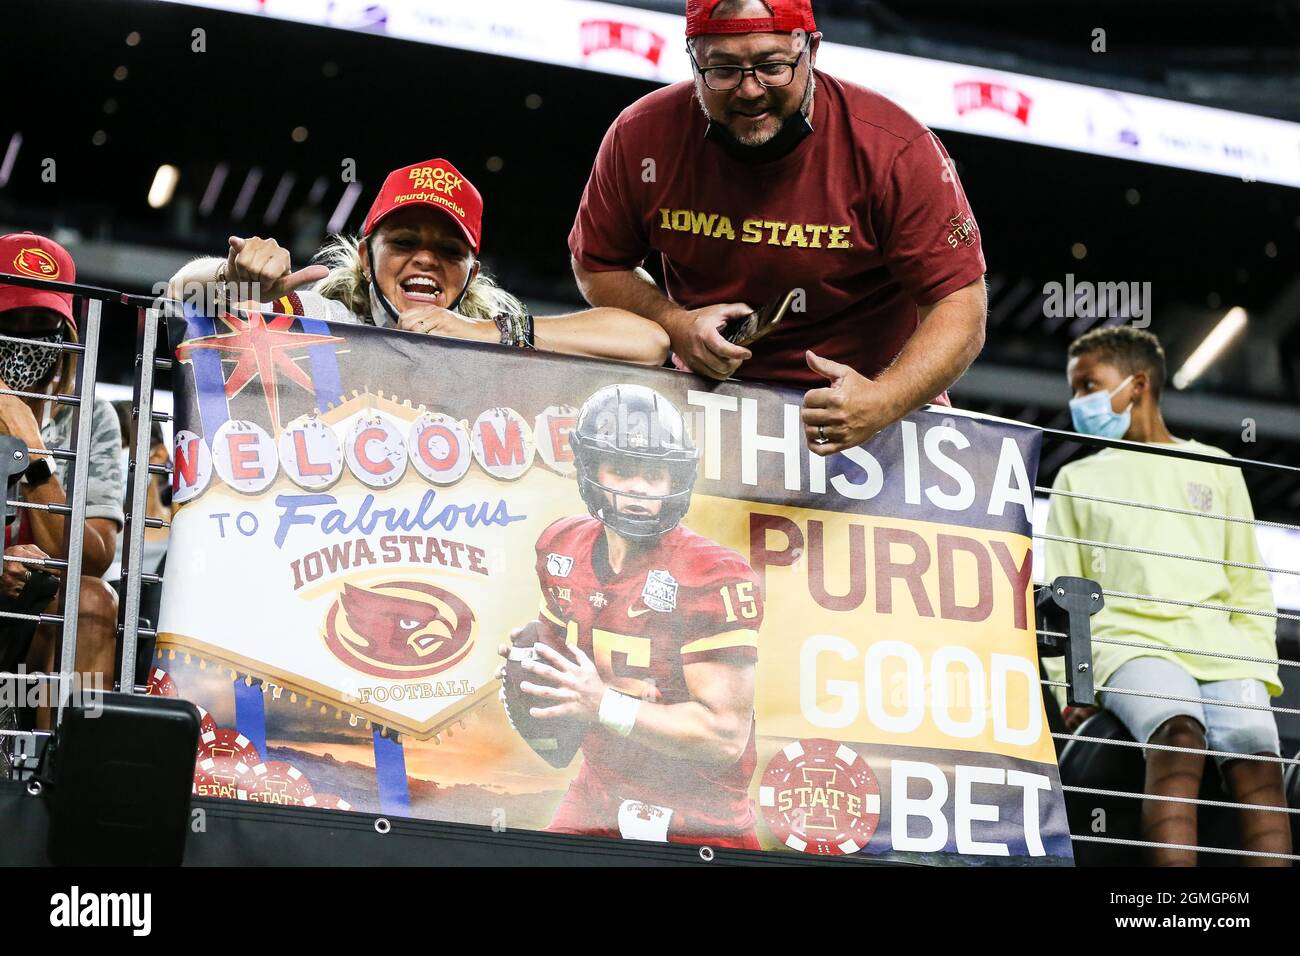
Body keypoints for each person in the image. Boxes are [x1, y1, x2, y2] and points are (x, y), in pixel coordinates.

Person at [569, 0, 987, 455]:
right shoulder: (639, 135)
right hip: (714, 413)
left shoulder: (895, 150)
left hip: (876, 420)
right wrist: (676, 323)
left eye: (772, 66)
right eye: (723, 70)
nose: (749, 90)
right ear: (693, 58)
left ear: (812, 51)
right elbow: (598, 265)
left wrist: (883, 399)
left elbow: (960, 305)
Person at [1044, 325, 1290, 866]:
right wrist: (1071, 689)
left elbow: (1248, 580)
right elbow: (1062, 593)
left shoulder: (1218, 466)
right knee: (1180, 735)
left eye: (1089, 385)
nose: (1078, 401)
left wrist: (1256, 667)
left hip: (1222, 649)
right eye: (1075, 388)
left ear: (1136, 386)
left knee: (1260, 764)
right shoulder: (1075, 478)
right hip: (1130, 644)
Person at [500, 384, 764, 847]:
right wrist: (538, 663)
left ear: (675, 481)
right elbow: (565, 654)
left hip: (700, 811)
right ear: (590, 471)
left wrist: (602, 702)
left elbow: (724, 737)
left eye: (655, 474)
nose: (639, 486)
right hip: (599, 792)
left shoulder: (711, 574)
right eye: (621, 470)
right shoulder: (563, 546)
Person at [166, 157, 669, 365]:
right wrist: (231, 280)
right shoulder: (323, 315)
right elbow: (179, 294)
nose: (426, 260)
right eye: (404, 243)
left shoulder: (492, 340)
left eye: (450, 251)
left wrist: (488, 333)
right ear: (365, 257)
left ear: (472, 272)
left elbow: (650, 342)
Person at [0, 232, 124, 699]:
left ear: (66, 334)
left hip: (34, 621)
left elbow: (93, 558)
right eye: (11, 318)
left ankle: (69, 767)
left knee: (93, 600)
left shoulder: (89, 417)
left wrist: (30, 446)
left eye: (42, 321)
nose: (25, 336)